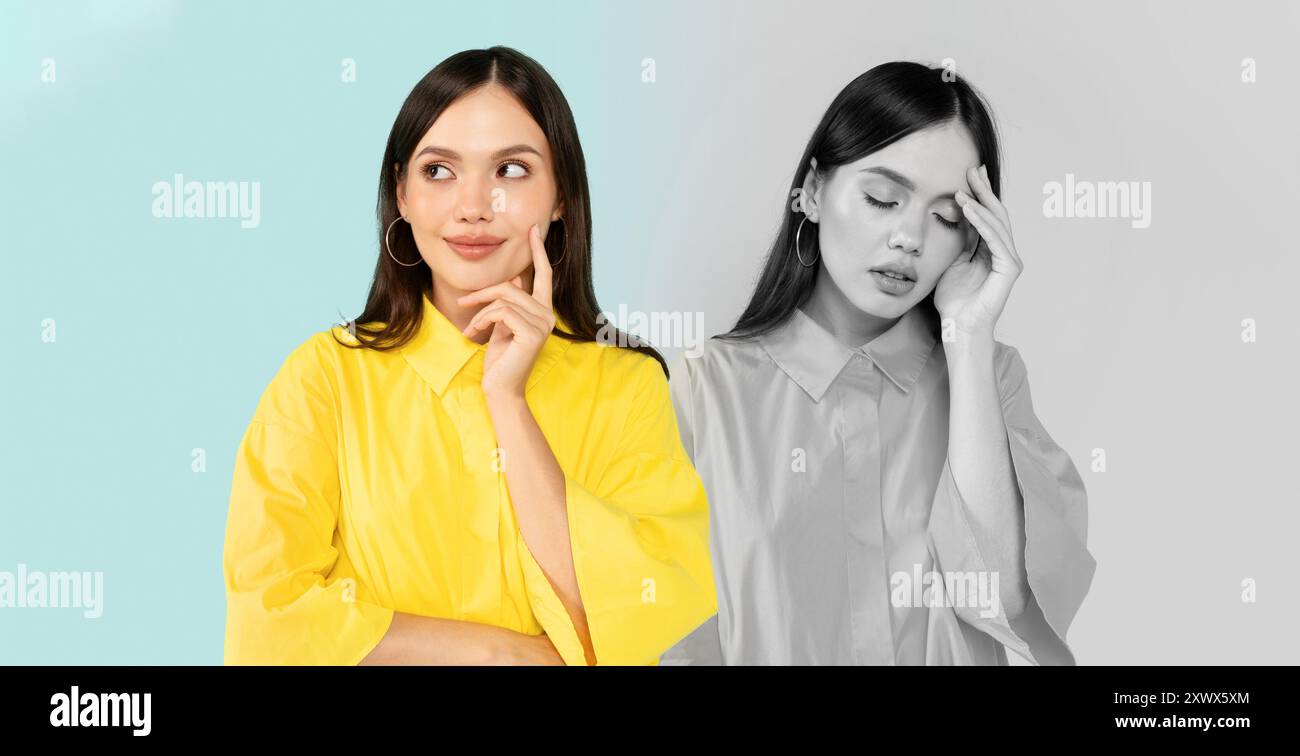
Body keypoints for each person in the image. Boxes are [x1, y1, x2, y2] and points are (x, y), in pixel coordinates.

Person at [222, 46, 716, 666]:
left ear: (561, 195)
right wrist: (501, 656)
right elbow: (269, 621)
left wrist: (508, 400)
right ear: (400, 193)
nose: (474, 205)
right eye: (438, 171)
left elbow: (629, 620)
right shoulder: (322, 379)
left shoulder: (627, 384)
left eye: (511, 170)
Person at [659, 61, 1095, 666]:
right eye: (883, 198)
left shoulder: (989, 379)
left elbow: (1006, 598)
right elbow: (671, 634)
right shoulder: (704, 390)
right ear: (813, 191)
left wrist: (967, 338)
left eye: (946, 218)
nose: (909, 237)